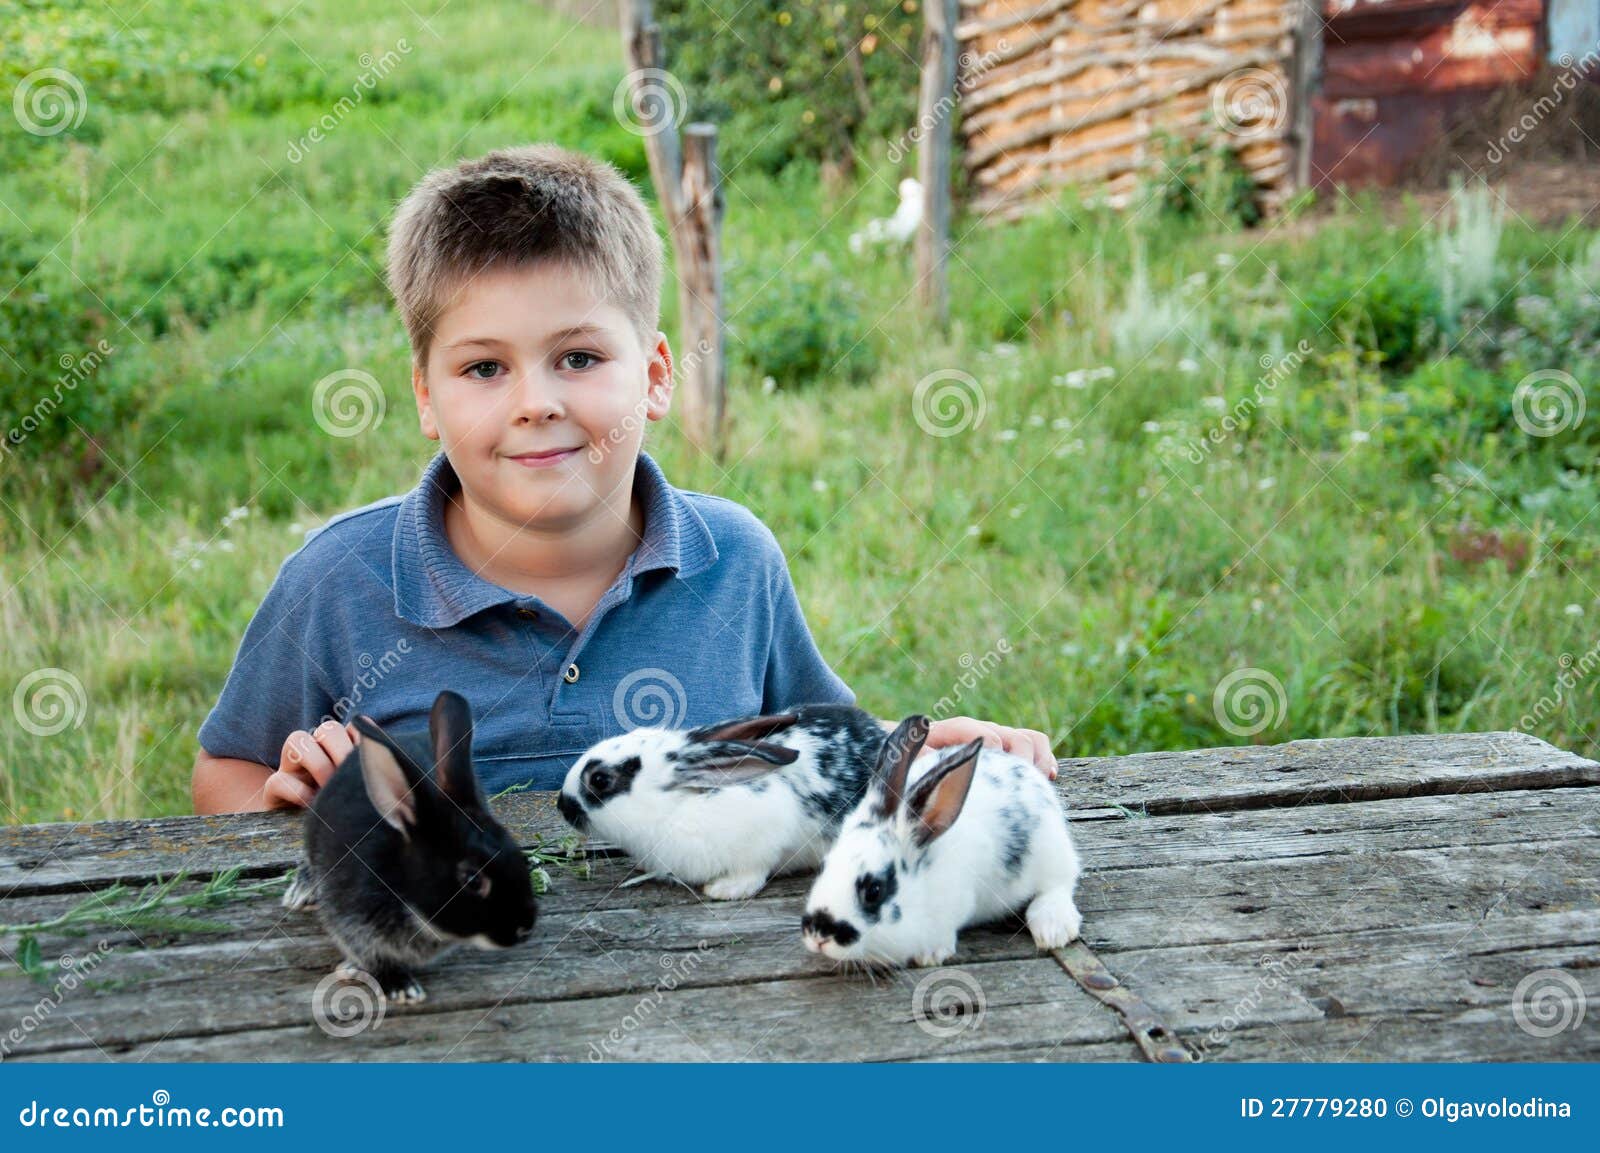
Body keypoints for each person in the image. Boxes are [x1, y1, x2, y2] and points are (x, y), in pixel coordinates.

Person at [191, 143, 1057, 814]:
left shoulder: (734, 563)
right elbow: (227, 770)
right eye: (484, 369)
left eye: (578, 357)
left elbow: (819, 748)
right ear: (426, 395)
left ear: (653, 374)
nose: (536, 403)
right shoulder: (338, 583)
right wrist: (288, 808)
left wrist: (929, 746)